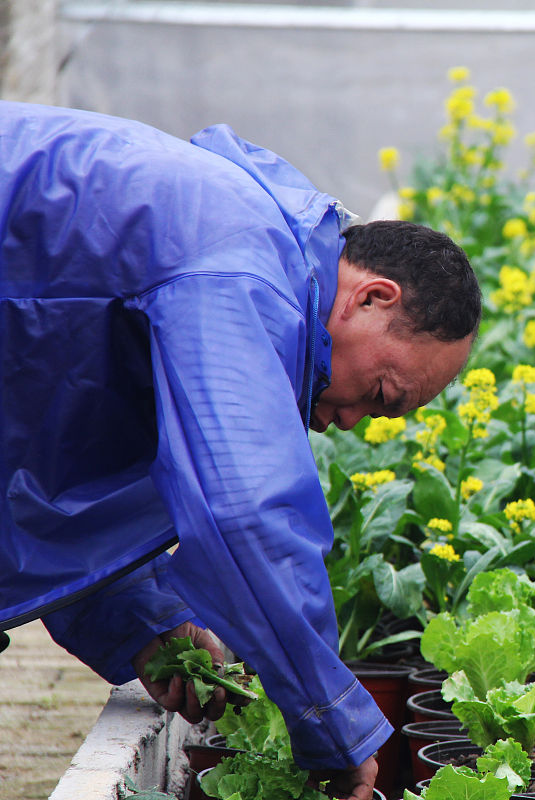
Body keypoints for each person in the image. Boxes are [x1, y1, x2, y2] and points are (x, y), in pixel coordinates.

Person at [0, 101, 481, 800]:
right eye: (380, 392)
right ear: (372, 297)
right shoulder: (242, 272)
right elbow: (246, 513)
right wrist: (334, 725)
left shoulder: (245, 250)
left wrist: (144, 621)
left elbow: (56, 467)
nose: (352, 421)